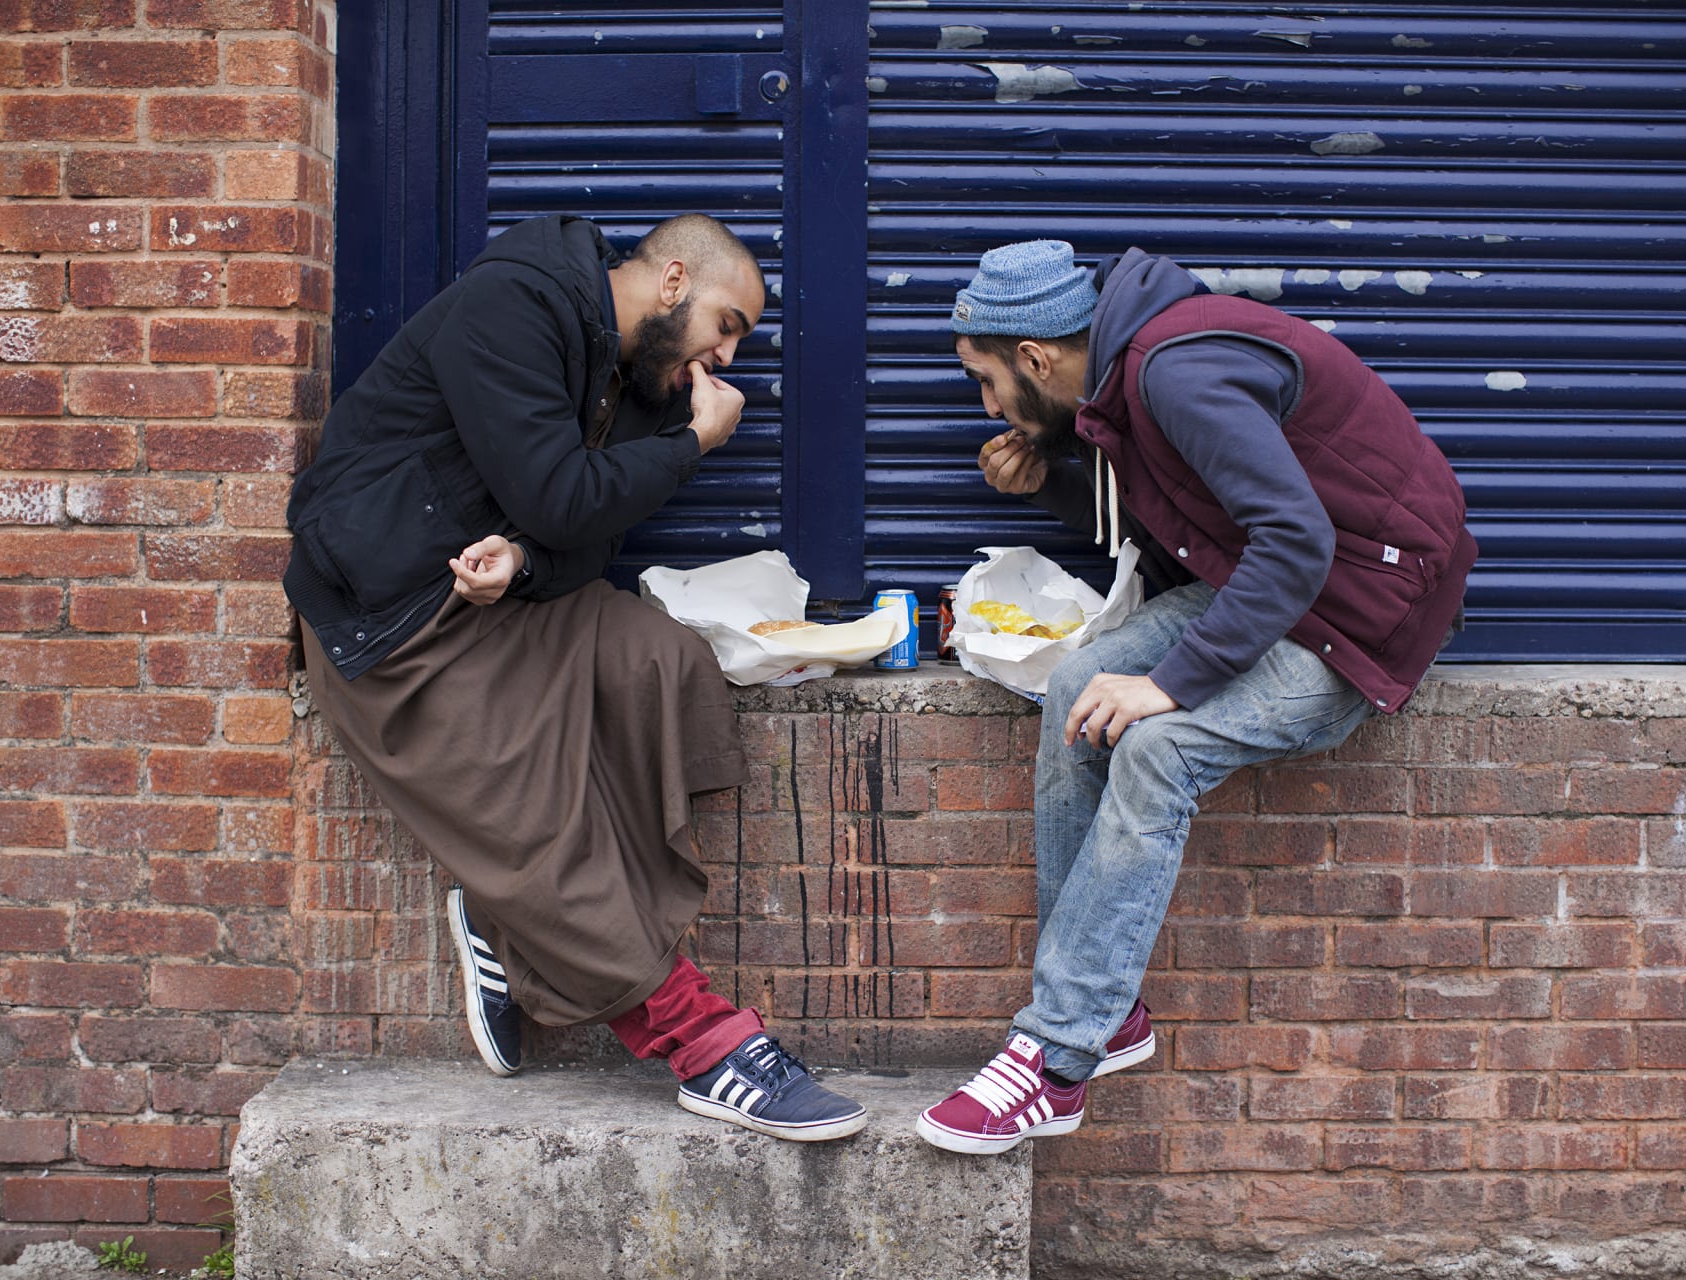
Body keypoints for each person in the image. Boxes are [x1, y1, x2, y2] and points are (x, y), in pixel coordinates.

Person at [285, 213, 867, 1142]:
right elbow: (563, 496)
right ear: (673, 280)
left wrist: (521, 558)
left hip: (504, 601)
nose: (724, 357)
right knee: (546, 822)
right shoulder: (514, 305)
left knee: (664, 664)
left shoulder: (636, 378)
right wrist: (690, 449)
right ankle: (702, 1042)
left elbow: (582, 537)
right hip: (390, 617)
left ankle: (509, 914)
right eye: (729, 325)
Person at [916, 240, 1475, 1154]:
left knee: (1155, 746)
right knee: (1073, 690)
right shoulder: (1127, 380)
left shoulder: (1174, 371)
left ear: (1034, 359)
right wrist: (1057, 485)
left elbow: (1294, 543)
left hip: (1363, 615)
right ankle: (1106, 1012)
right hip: (1276, 590)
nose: (988, 408)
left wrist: (1167, 687)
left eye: (986, 383)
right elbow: (1191, 520)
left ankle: (1056, 1056)